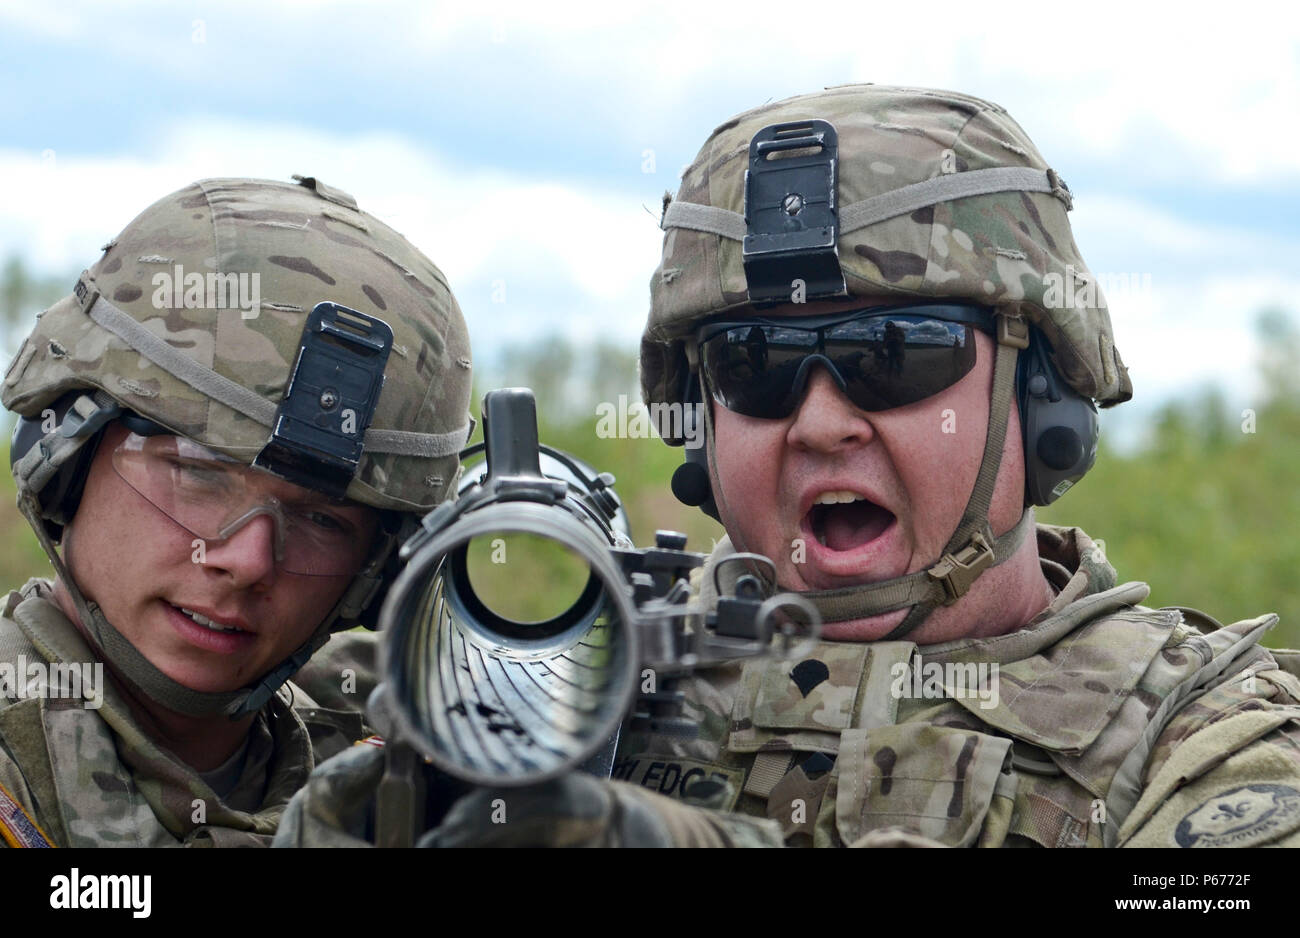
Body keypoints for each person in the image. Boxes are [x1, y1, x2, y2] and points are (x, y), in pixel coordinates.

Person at [279, 86, 1300, 848]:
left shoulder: (1210, 740)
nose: (819, 420)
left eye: (891, 353)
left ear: (1042, 401)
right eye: (753, 366)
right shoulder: (547, 676)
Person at [0, 175, 473, 847]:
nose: (248, 561)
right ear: (66, 453)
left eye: (322, 521)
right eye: (197, 474)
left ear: (376, 573)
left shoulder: (399, 742)